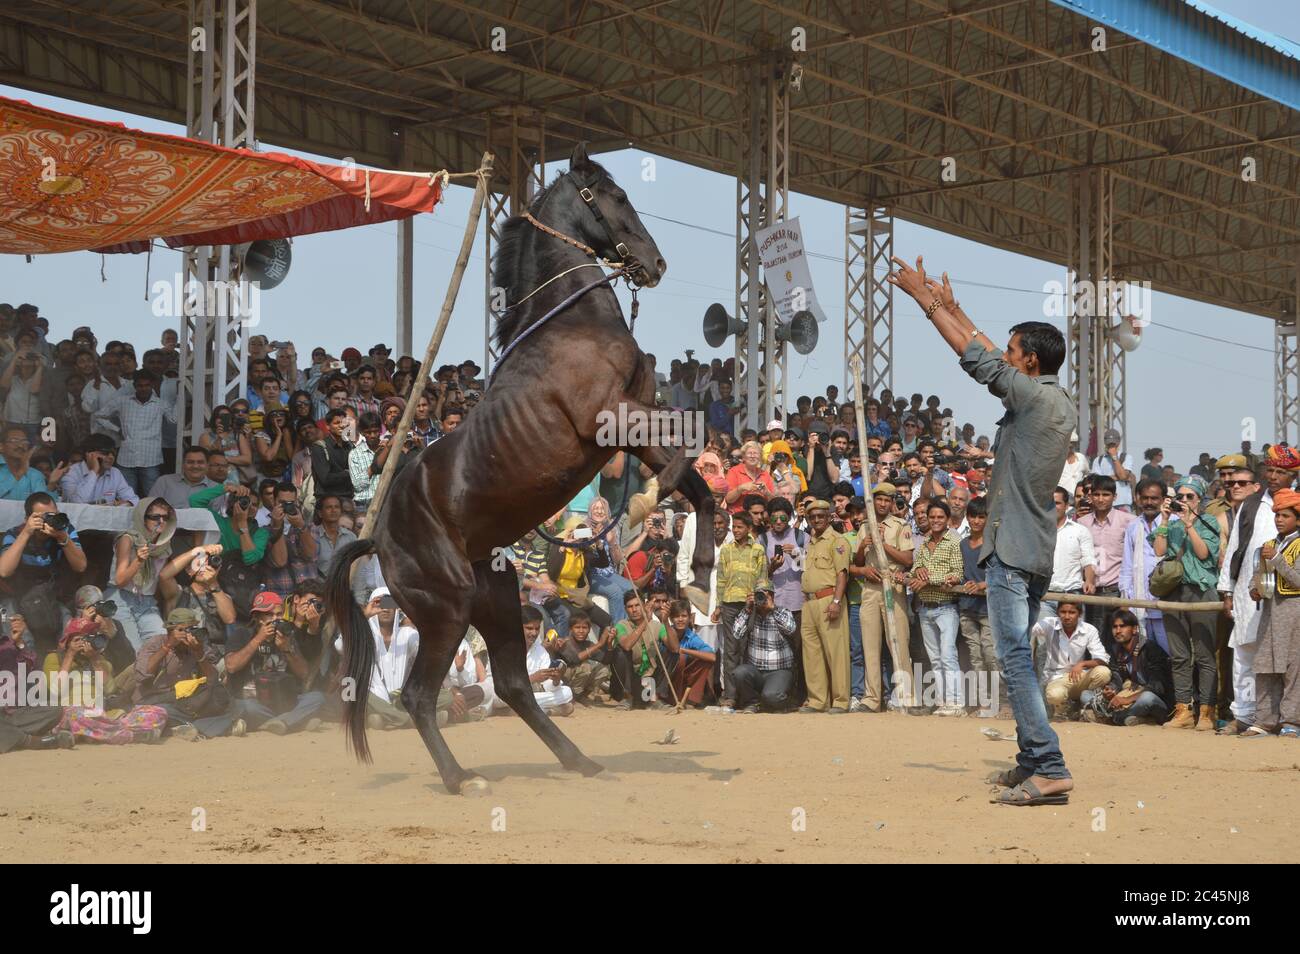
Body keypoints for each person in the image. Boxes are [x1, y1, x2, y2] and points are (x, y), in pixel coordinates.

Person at [889, 255, 1075, 805]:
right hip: (1033, 546)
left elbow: (979, 360)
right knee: (1018, 652)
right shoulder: (1052, 398)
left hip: (1011, 549)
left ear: (1031, 361)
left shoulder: (1033, 396)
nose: (1007, 356)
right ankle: (1030, 761)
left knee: (1013, 654)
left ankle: (1050, 765)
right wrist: (952, 306)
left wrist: (927, 304)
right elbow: (993, 352)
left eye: (1016, 352)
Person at [1152, 475, 1225, 730]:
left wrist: (1189, 525)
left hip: (1201, 592)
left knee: (1205, 655)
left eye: (1189, 497)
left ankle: (1207, 711)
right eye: (1179, 497)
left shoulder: (1210, 522)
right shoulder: (1170, 525)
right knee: (1179, 655)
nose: (1184, 501)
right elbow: (1160, 551)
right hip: (1174, 591)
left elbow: (1205, 554)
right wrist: (1164, 519)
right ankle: (1183, 710)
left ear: (1200, 499)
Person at [43, 618, 167, 744]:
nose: (85, 643)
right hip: (71, 713)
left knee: (157, 712)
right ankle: (132, 736)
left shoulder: (100, 661)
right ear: (68, 641)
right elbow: (55, 691)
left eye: (89, 638)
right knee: (77, 715)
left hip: (101, 714)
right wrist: (70, 654)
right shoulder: (54, 658)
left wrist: (95, 660)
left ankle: (96, 733)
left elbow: (110, 690)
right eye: (79, 639)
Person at [850, 483, 914, 713]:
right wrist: (864, 546)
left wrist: (882, 543)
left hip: (892, 587)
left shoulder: (900, 525)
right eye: (880, 499)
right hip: (870, 588)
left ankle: (907, 696)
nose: (883, 503)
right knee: (869, 645)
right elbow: (858, 563)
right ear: (873, 500)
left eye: (888, 500)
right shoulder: (864, 526)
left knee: (898, 644)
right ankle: (871, 698)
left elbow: (907, 560)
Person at [224, 591, 326, 734]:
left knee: (317, 698)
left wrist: (287, 649)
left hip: (284, 701)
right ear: (258, 617)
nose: (275, 619)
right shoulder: (242, 634)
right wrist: (258, 639)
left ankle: (279, 722)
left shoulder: (287, 635)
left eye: (278, 615)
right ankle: (290, 721)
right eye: (269, 615)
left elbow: (304, 673)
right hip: (254, 702)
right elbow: (231, 666)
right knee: (243, 706)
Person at [1242, 490, 1300, 738]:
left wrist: (1277, 559)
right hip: (1269, 613)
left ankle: (1292, 721)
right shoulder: (1270, 545)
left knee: (1293, 669)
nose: (1279, 519)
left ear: (1297, 520)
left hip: (1294, 613)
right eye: (1277, 515)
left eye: (1285, 515)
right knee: (1265, 665)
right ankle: (1264, 720)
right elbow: (1258, 576)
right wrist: (1254, 590)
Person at [0, 493, 87, 654]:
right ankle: (27, 672)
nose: (49, 520)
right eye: (43, 517)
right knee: (19, 635)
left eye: (53, 515)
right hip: (19, 596)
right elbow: (4, 570)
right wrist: (26, 533)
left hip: (51, 596)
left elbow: (81, 566)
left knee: (69, 631)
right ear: (28, 518)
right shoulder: (15, 534)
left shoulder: (64, 531)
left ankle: (63, 671)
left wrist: (62, 538)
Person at [133, 608, 237, 740]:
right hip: (155, 699)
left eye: (193, 628)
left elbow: (213, 679)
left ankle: (182, 727)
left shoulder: (197, 645)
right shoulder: (155, 643)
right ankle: (208, 727)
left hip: (186, 701)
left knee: (223, 698)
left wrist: (199, 654)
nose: (190, 634)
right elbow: (142, 675)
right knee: (158, 713)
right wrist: (168, 646)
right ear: (171, 631)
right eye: (185, 629)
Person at [908, 499, 966, 715]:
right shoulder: (924, 543)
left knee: (948, 656)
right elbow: (914, 570)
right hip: (925, 608)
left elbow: (957, 574)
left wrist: (928, 579)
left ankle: (956, 703)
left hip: (946, 607)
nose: (935, 520)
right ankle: (943, 702)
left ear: (948, 519)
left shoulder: (954, 542)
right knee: (935, 658)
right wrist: (920, 571)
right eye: (932, 517)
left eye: (940, 517)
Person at [711, 510, 768, 708]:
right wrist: (718, 606)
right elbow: (721, 579)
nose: (735, 530)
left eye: (739, 527)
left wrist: (760, 602)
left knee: (748, 648)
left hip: (750, 605)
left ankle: (748, 697)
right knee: (731, 650)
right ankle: (730, 695)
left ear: (749, 528)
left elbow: (762, 579)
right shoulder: (726, 550)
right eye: (734, 527)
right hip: (729, 604)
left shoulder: (758, 550)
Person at [798, 499, 850, 714]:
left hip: (829, 599)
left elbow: (842, 574)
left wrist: (837, 601)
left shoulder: (837, 541)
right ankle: (818, 700)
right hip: (809, 602)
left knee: (835, 652)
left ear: (829, 517)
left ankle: (840, 701)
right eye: (812, 517)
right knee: (812, 653)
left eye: (821, 515)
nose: (817, 520)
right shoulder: (810, 542)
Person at [1078, 610, 1172, 726]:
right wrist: (1111, 691)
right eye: (1115, 627)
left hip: (1157, 700)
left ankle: (1114, 718)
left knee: (1147, 698)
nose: (1118, 631)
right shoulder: (1117, 651)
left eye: (1122, 626)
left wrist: (1127, 699)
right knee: (1085, 695)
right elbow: (1117, 678)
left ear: (1134, 629)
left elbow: (1158, 687)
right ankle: (1136, 718)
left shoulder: (1150, 649)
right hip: (1130, 697)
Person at [105, 498, 176, 650]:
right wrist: (138, 560)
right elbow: (119, 580)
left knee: (161, 646)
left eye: (165, 517)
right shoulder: (128, 539)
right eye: (155, 517)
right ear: (143, 519)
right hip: (120, 598)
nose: (161, 521)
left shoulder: (164, 545)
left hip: (147, 602)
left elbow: (159, 580)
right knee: (134, 651)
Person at [91, 369, 174, 497]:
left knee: (152, 498)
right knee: (126, 498)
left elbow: (174, 421)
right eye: (140, 385)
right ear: (135, 386)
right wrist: (116, 430)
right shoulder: (122, 401)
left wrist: (180, 397)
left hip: (150, 459)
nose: (143, 388)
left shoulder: (161, 404)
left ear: (152, 385)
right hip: (127, 458)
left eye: (147, 385)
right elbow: (98, 416)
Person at [1076, 475, 1136, 639]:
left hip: (1116, 590)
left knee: (1116, 640)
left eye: (1106, 495)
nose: (1101, 499)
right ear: (1090, 496)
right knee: (1091, 639)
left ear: (1115, 497)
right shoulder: (1081, 524)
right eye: (1096, 495)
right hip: (1089, 591)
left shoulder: (1129, 522)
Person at [1032, 599, 1111, 719]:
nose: (1067, 616)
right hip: (1056, 678)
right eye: (1063, 612)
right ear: (1058, 612)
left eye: (1072, 612)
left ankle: (1086, 704)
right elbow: (1029, 628)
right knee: (1055, 695)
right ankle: (1064, 711)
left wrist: (1082, 664)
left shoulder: (1089, 629)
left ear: (1079, 614)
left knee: (1103, 672)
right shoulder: (1050, 624)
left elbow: (1103, 658)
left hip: (1078, 677)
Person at [1119, 479, 1171, 655]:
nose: (1149, 502)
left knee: (1169, 653)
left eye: (1154, 498)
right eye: (1145, 498)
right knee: (1142, 653)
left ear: (1164, 499)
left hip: (1167, 602)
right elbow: (1127, 565)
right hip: (1139, 602)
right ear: (1138, 499)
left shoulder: (1173, 523)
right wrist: (1125, 598)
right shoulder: (1133, 526)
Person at [958, 496, 999, 714]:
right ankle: (984, 702)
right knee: (975, 657)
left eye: (981, 516)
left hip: (988, 609)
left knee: (991, 655)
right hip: (967, 608)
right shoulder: (963, 544)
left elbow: (1001, 575)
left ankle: (999, 700)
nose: (976, 521)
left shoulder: (993, 545)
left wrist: (983, 584)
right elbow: (958, 571)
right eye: (972, 516)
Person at [729, 583, 798, 712]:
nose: (761, 599)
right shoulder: (751, 614)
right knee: (739, 673)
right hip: (756, 670)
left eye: (765, 595)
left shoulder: (782, 611)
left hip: (779, 670)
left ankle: (786, 701)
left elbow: (791, 628)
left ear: (772, 596)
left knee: (771, 696)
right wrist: (747, 610)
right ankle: (752, 703)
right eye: (758, 595)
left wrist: (773, 609)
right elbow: (736, 633)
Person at [496, 605, 574, 716]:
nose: (534, 633)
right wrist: (532, 678)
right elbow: (502, 685)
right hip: (505, 694)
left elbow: (547, 686)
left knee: (566, 692)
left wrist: (555, 680)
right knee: (506, 696)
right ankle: (547, 710)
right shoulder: (504, 647)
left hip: (532, 694)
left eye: (537, 629)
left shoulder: (540, 650)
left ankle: (526, 710)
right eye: (529, 628)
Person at [147, 445, 215, 510]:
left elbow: (217, 519)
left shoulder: (216, 488)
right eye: (190, 462)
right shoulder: (164, 482)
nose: (195, 466)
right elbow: (150, 509)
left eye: (200, 462)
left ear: (207, 465)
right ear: (183, 464)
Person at [0, 425, 48, 501]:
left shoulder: (36, 476)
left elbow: (42, 506)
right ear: (1, 446)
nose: (20, 445)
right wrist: (19, 473)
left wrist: (52, 485)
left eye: (24, 441)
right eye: (14, 441)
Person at [1094, 428, 1136, 511]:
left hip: (1123, 502)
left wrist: (1114, 457)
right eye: (1109, 444)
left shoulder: (1126, 457)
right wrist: (1117, 477)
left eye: (1113, 444)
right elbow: (1097, 480)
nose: (1111, 446)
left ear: (1119, 442)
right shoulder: (1098, 460)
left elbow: (1123, 476)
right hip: (1104, 502)